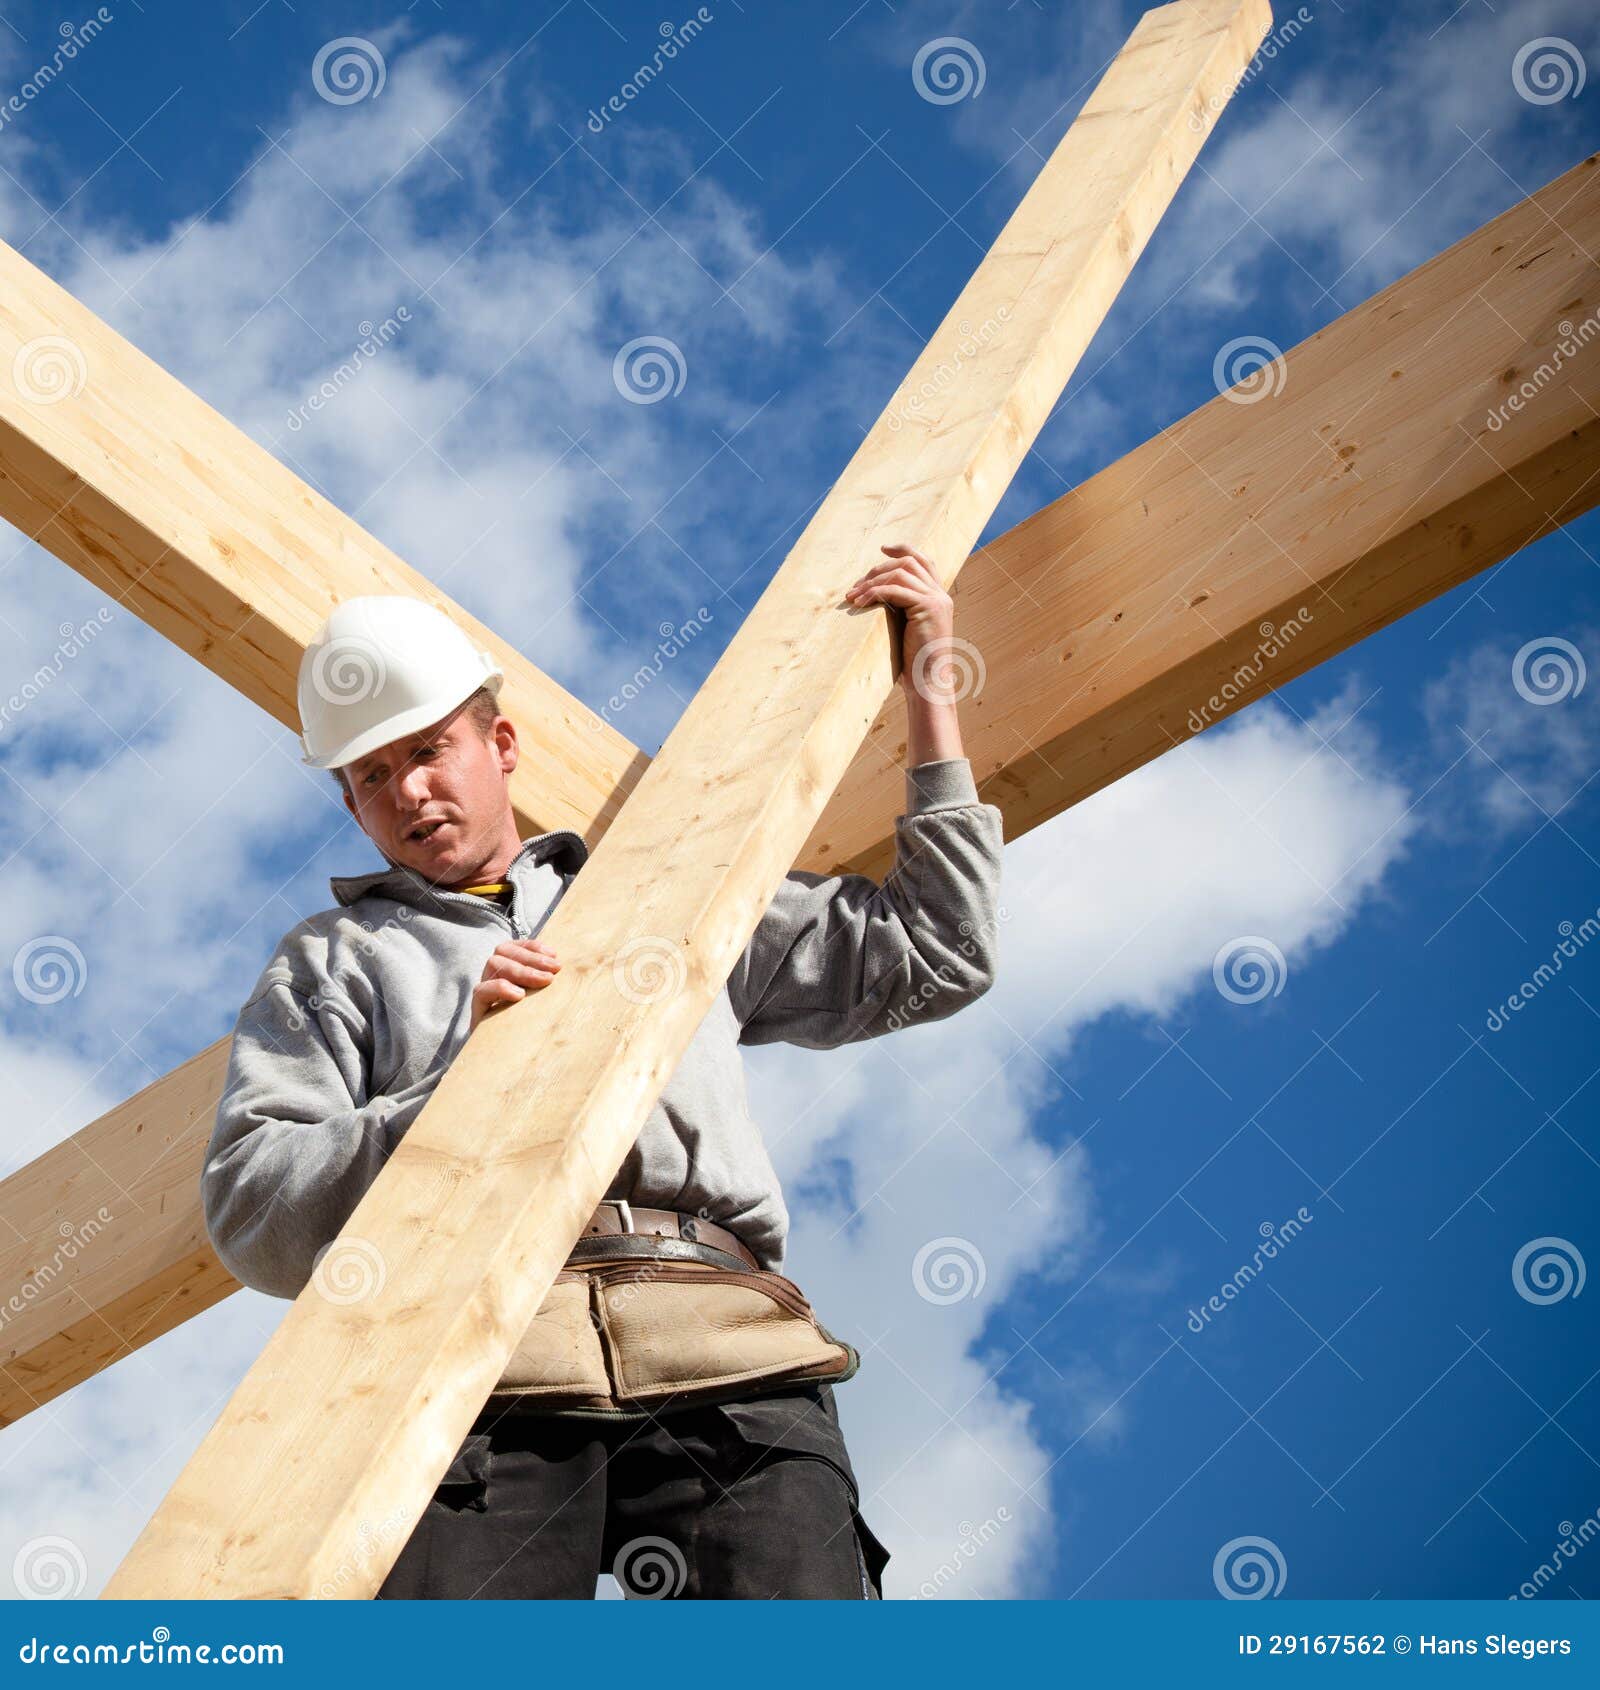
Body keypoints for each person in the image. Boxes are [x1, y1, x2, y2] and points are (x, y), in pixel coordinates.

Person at [200, 543, 1004, 1599]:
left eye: (429, 748)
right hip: (477, 1384)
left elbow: (937, 953)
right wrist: (452, 1096)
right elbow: (254, 1209)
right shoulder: (335, 960)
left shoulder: (666, 894)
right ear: (353, 807)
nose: (410, 789)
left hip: (725, 1349)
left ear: (501, 742)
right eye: (372, 776)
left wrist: (932, 697)